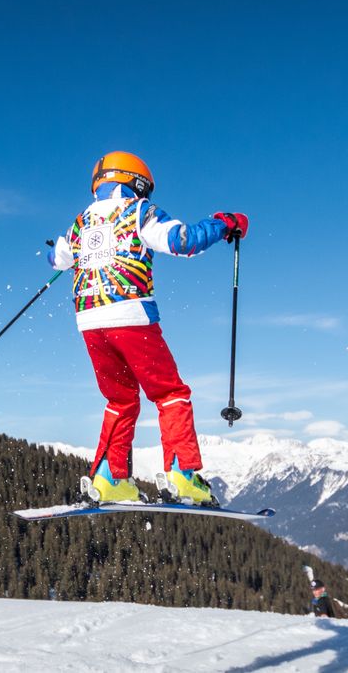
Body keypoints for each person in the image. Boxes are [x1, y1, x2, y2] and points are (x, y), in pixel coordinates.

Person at [49, 151, 248, 506]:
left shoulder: (79, 224)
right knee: (170, 392)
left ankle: (110, 480)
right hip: (131, 314)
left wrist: (66, 252)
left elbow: (58, 258)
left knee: (120, 399)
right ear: (135, 182)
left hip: (89, 321)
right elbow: (183, 241)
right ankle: (182, 476)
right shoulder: (139, 212)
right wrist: (224, 223)